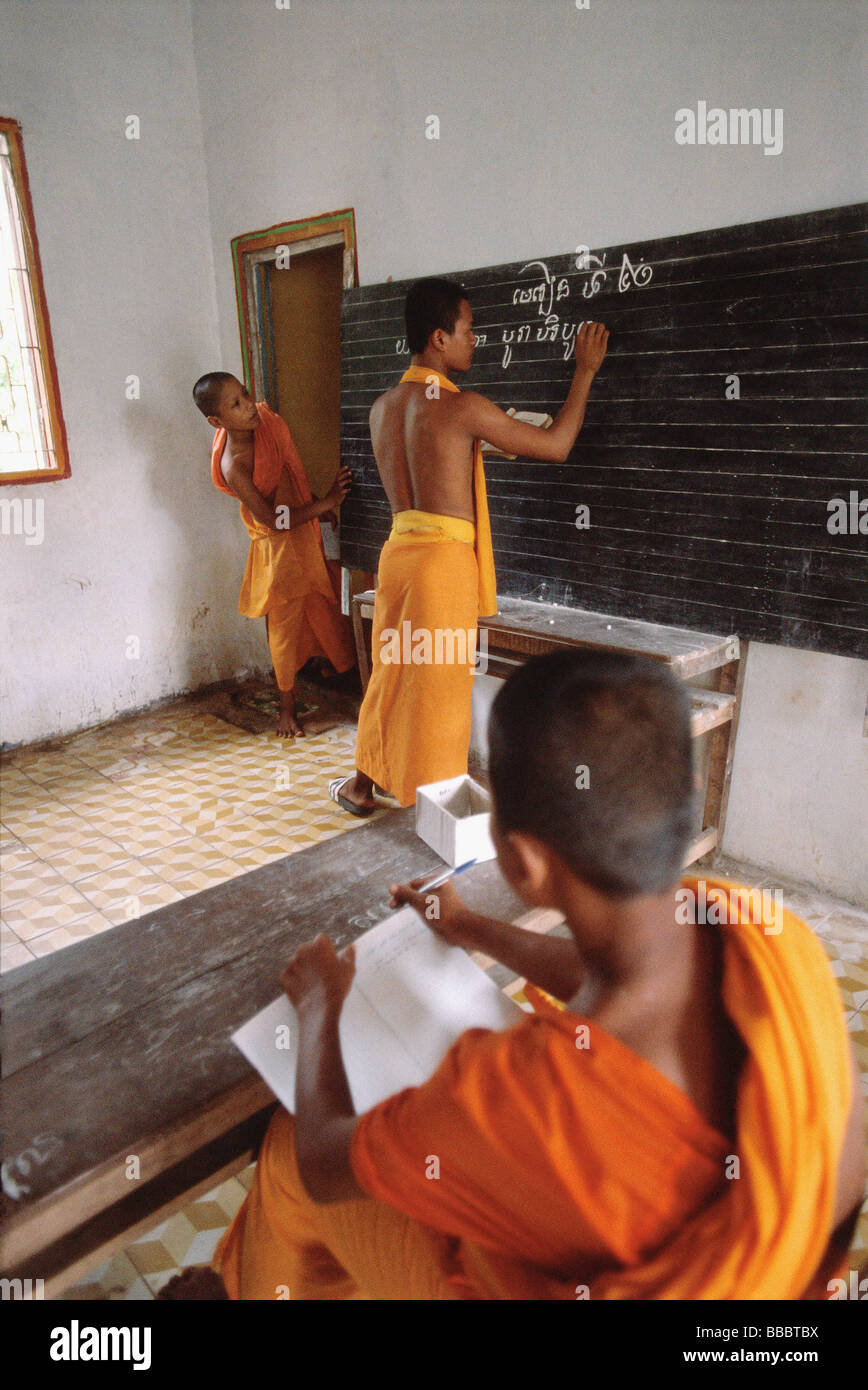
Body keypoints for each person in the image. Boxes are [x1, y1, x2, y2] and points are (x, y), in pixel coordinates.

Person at [210, 651, 863, 1300]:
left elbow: (327, 1165)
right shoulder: (762, 931)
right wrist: (471, 928)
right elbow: (609, 972)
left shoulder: (524, 1098)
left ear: (524, 861)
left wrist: (321, 1005)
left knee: (290, 1143)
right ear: (686, 799)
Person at [329, 278, 609, 815]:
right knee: (439, 696)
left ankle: (361, 786)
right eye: (469, 329)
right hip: (442, 569)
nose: (475, 340)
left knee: (393, 673)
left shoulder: (383, 407)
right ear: (439, 338)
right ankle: (435, 817)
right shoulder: (465, 408)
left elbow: (434, 458)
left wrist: (477, 445)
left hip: (398, 559)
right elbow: (557, 446)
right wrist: (584, 371)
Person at [194, 373, 356, 736]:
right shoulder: (234, 465)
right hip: (278, 548)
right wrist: (327, 502)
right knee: (284, 626)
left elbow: (289, 474)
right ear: (216, 421)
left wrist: (315, 502)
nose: (250, 406)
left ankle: (333, 664)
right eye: (236, 404)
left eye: (246, 394)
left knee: (325, 600)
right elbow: (271, 520)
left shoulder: (267, 423)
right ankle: (287, 709)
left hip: (304, 527)